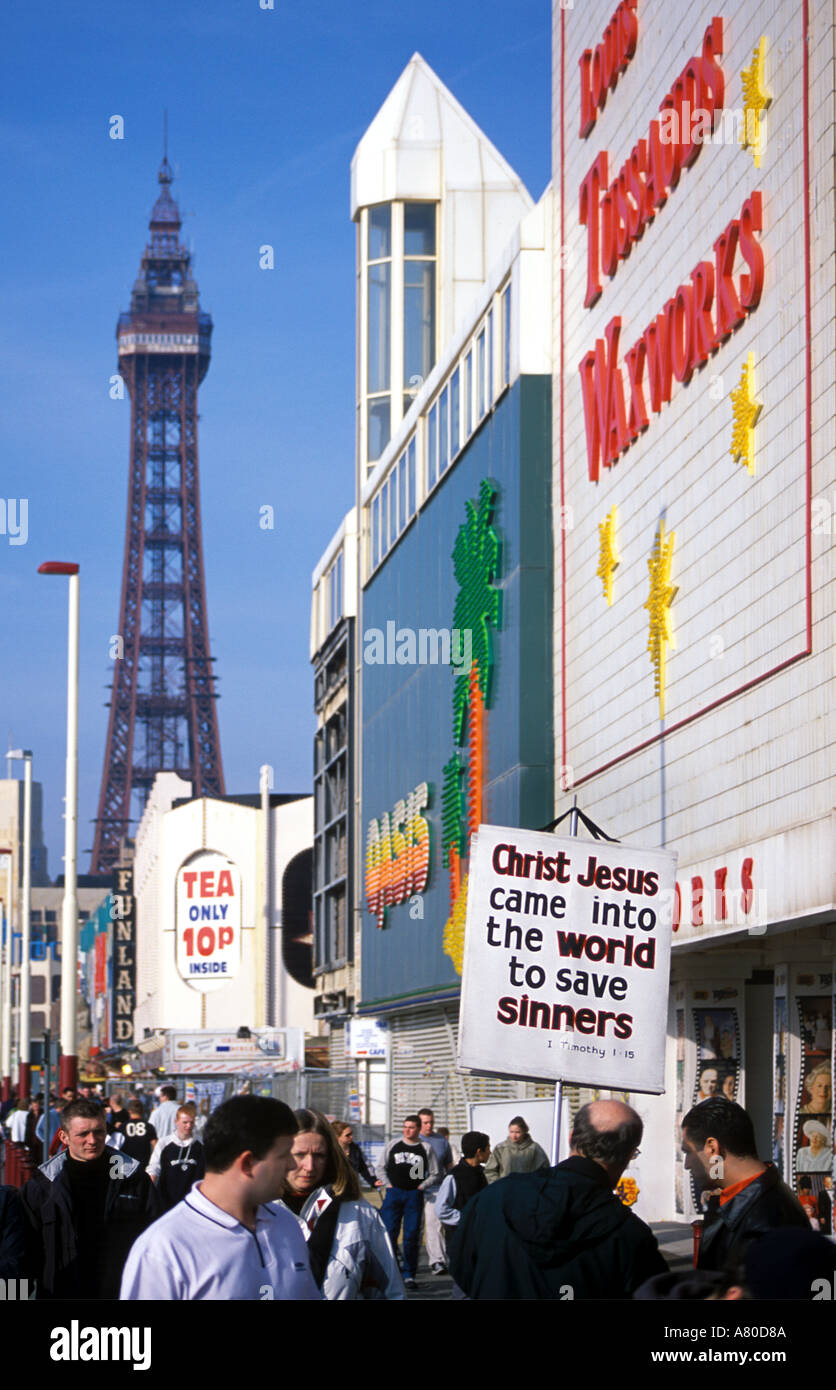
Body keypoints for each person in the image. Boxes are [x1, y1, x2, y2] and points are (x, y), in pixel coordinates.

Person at [448, 1100, 668, 1300]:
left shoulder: (493, 1198)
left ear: (572, 1137)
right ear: (629, 1154)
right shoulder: (631, 1235)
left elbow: (463, 1271)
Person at [119, 1095, 320, 1300]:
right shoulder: (164, 1249)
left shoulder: (287, 1225)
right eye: (284, 1155)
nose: (293, 1165)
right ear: (247, 1163)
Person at [21, 1098, 160, 1299]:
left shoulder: (134, 1179)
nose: (92, 1140)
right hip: (61, 1295)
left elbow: (155, 1240)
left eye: (99, 1132)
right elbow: (23, 1257)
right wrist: (14, 1296)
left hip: (120, 1293)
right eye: (82, 1134)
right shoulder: (41, 1187)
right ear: (64, 1137)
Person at [283, 1109, 403, 1300]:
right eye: (299, 1154)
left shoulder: (361, 1213)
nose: (310, 1166)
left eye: (319, 1155)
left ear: (331, 1156)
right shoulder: (257, 1214)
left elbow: (390, 1291)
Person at [681, 1097, 809, 1272]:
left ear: (712, 1148)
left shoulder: (763, 1224)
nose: (687, 1164)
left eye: (688, 1152)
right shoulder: (755, 1200)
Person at [376, 1114, 439, 1290]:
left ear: (418, 1129)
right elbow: (381, 1167)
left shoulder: (425, 1148)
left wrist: (422, 1186)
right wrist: (388, 1185)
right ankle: (391, 1270)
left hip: (414, 1195)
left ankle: (409, 1274)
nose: (407, 1130)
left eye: (411, 1127)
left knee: (411, 1235)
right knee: (389, 1232)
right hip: (394, 1194)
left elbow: (435, 1172)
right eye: (405, 1126)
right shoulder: (394, 1145)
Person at [437, 1131, 490, 1300]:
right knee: (463, 1288)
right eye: (488, 1148)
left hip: (479, 1240)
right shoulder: (454, 1177)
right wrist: (466, 1218)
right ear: (478, 1152)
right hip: (460, 1241)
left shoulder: (480, 1174)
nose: (490, 1152)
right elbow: (441, 1209)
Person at [147, 1104, 206, 1210]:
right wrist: (148, 1193)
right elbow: (154, 1168)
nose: (189, 1126)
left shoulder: (201, 1144)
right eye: (185, 1122)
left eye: (191, 1122)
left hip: (193, 1202)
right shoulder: (164, 1143)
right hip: (167, 1201)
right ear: (176, 1122)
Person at [418, 1107, 453, 1274]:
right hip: (415, 1188)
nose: (429, 1125)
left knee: (435, 1224)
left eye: (431, 1122)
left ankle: (437, 1261)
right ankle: (411, 1263)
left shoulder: (441, 1141)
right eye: (425, 1122)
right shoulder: (413, 1139)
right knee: (415, 1227)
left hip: (436, 1188)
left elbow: (449, 1167)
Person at [484, 1115, 548, 1184]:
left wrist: (535, 1185)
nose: (514, 1136)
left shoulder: (534, 1148)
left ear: (524, 1131)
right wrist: (498, 1185)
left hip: (527, 1190)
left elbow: (545, 1170)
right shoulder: (501, 1148)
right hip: (505, 1190)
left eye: (517, 1132)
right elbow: (490, 1170)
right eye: (511, 1132)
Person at [332, 1120, 379, 1190]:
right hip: (334, 1189)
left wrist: (373, 1181)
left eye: (351, 1134)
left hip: (352, 1189)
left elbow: (364, 1167)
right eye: (347, 1135)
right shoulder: (330, 1151)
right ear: (337, 1137)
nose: (351, 1137)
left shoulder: (355, 1149)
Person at [111, 1099, 157, 1169]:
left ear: (129, 1111)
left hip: (127, 1163)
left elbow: (116, 1145)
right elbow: (155, 1146)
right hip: (144, 1164)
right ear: (142, 1111)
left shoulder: (123, 1126)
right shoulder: (149, 1126)